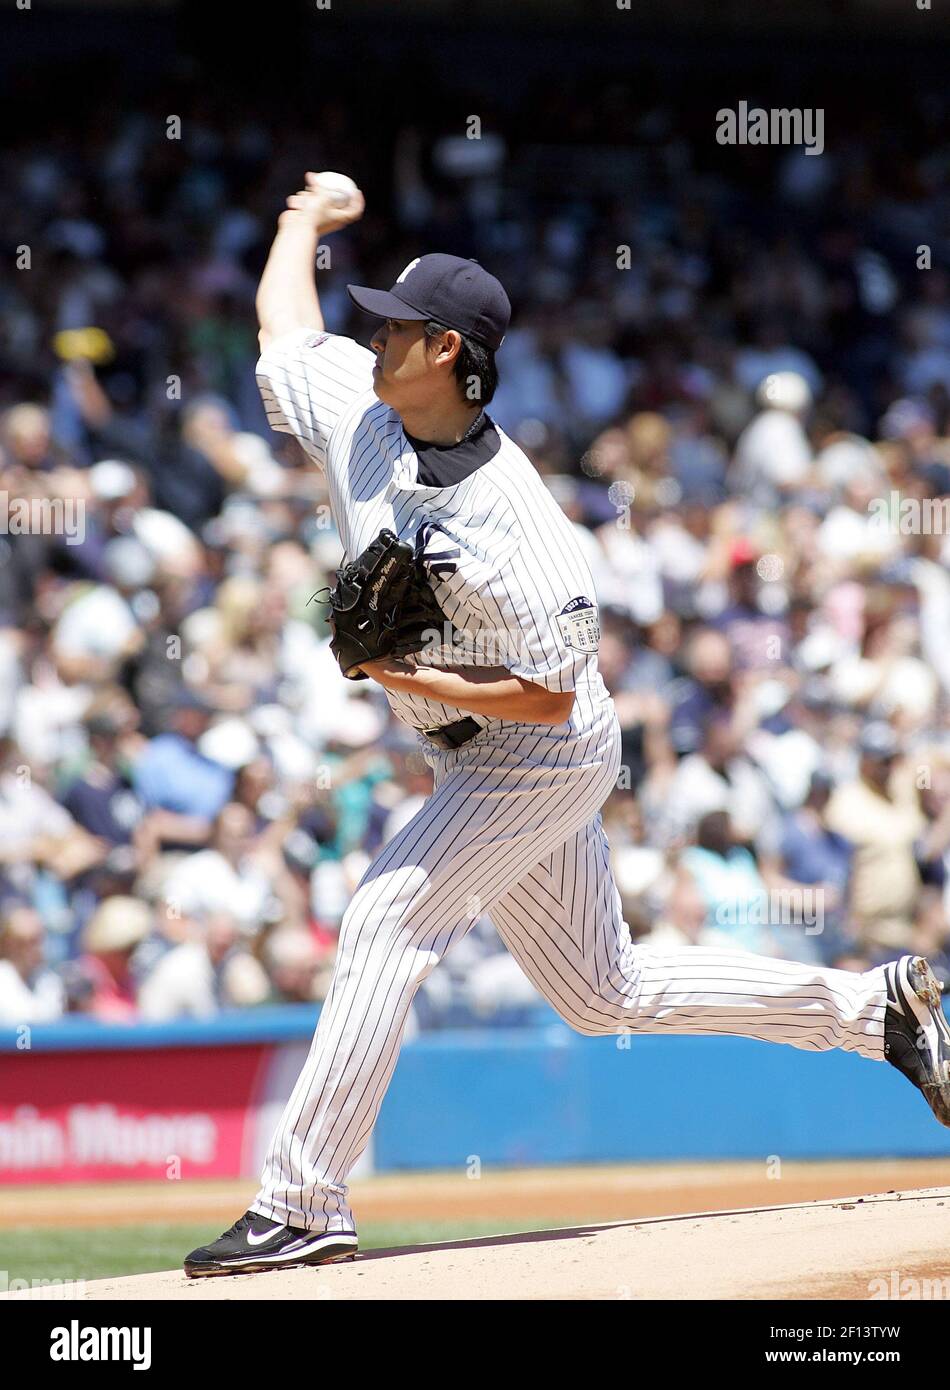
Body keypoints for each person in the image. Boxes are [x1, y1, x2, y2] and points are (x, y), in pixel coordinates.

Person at [184, 172, 950, 1278]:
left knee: (384, 923)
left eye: (397, 328)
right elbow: (279, 330)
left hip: (541, 752)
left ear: (446, 351)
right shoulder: (358, 405)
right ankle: (868, 1007)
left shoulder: (520, 530)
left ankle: (305, 1198)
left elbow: (547, 695)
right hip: (474, 743)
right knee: (603, 993)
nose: (375, 337)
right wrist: (303, 220)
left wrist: (406, 673)